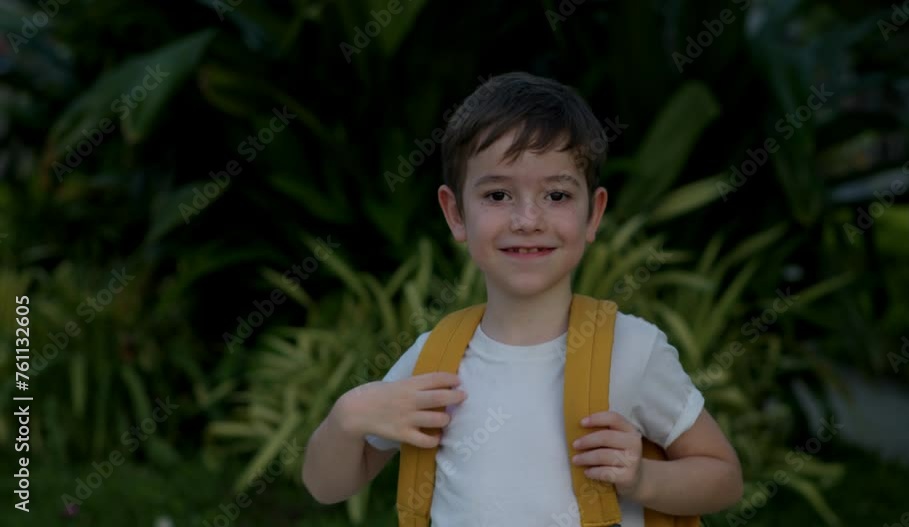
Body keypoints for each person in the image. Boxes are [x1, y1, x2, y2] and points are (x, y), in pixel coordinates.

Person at [302, 72, 743, 525]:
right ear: (456, 214)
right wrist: (347, 416)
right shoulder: (433, 361)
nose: (528, 220)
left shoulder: (632, 350)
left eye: (556, 195)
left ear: (593, 214)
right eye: (498, 194)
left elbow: (723, 477)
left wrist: (644, 480)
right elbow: (326, 487)